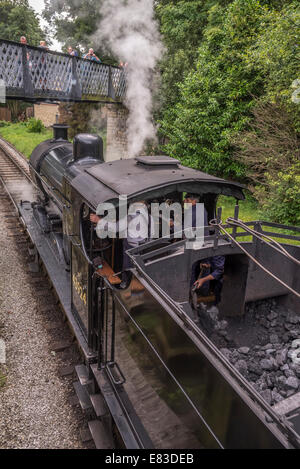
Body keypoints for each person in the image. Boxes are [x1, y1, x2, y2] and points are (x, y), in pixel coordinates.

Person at [90, 201, 153, 287]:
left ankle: (125, 284)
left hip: (132, 249)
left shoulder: (132, 217)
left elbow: (115, 227)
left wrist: (98, 220)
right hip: (146, 248)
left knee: (128, 268)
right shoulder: (150, 217)